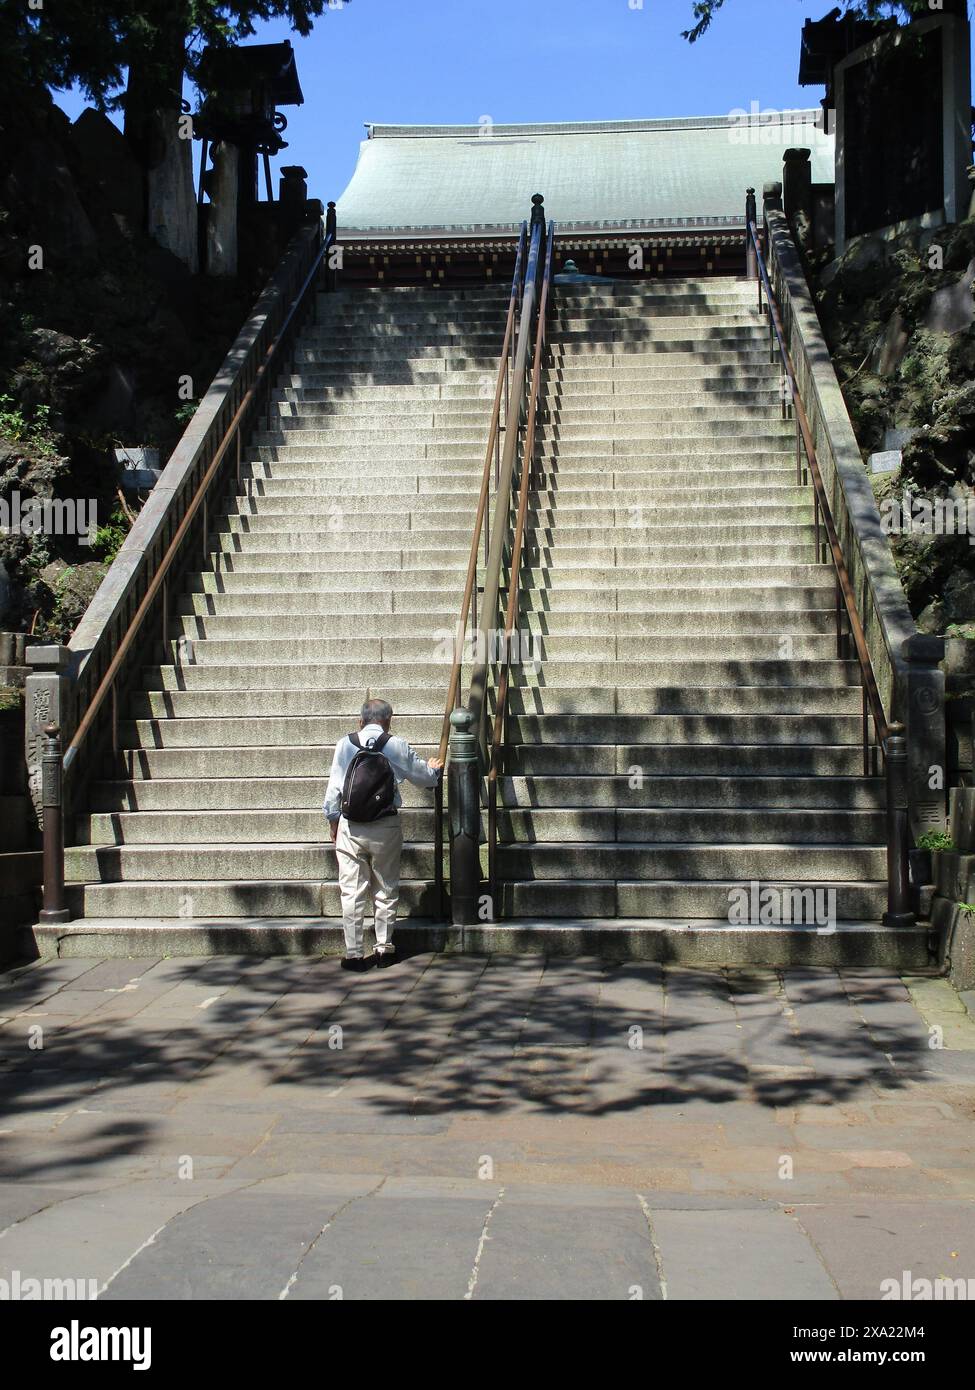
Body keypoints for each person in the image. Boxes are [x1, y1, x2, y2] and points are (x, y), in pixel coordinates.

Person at [324, 698, 444, 971]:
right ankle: (384, 949)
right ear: (388, 720)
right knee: (386, 887)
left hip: (350, 825)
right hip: (385, 825)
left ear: (360, 720)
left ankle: (354, 955)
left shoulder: (345, 744)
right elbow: (425, 778)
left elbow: (334, 789)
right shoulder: (395, 744)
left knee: (352, 892)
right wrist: (434, 770)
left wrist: (333, 821)